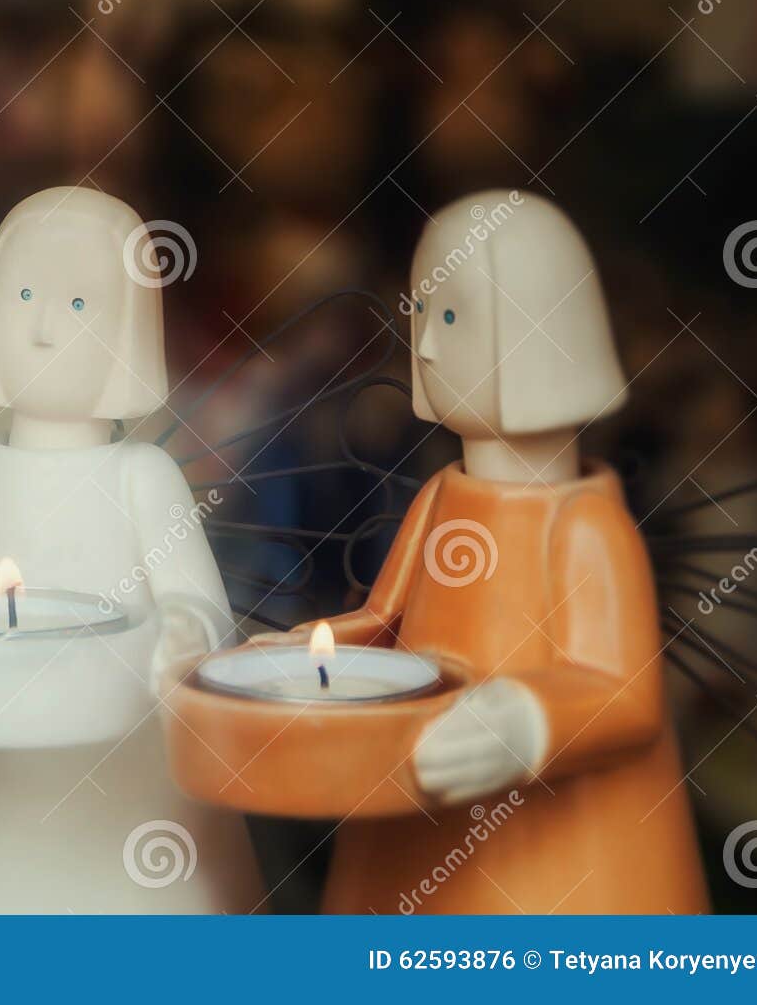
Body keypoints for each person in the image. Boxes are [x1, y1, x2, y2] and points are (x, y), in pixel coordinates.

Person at [267, 190, 708, 913]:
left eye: (451, 316)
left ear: (537, 330)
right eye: (421, 315)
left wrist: (524, 722)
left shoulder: (586, 528)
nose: (427, 344)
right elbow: (385, 618)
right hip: (420, 818)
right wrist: (305, 656)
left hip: (567, 870)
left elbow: (624, 696)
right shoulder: (441, 495)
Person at [0, 186, 263, 912]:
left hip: (120, 787)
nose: (42, 327)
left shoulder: (144, 476)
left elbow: (200, 613)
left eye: (77, 305)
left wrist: (181, 634)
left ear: (129, 332)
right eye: (21, 295)